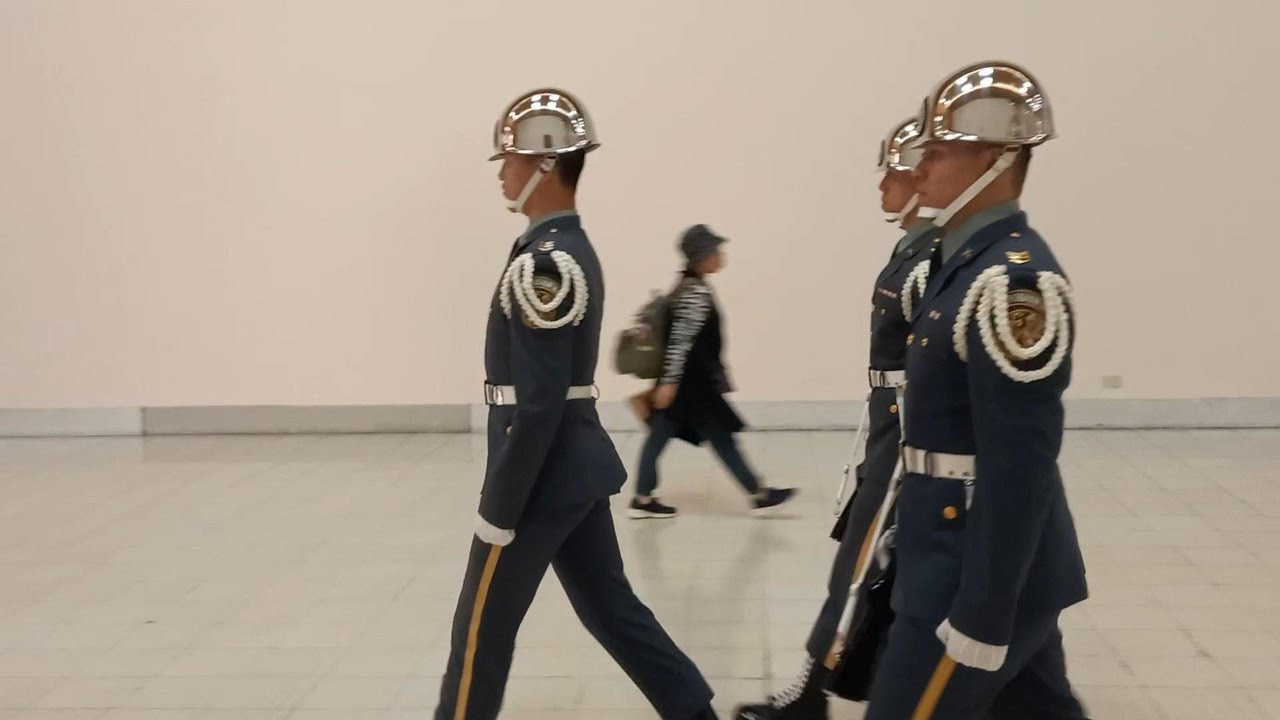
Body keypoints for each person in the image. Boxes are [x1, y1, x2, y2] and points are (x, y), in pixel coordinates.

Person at [434, 88, 717, 720]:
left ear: (544, 166)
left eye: (510, 160)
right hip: (570, 466)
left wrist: (499, 506)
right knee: (610, 608)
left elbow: (537, 404)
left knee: (480, 630)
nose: (502, 172)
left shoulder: (551, 261)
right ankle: (693, 710)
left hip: (541, 472)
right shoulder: (555, 250)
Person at [862, 62, 1089, 720]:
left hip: (972, 567)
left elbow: (1020, 461)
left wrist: (984, 612)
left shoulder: (1014, 283)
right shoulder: (962, 263)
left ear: (997, 158)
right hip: (952, 546)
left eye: (940, 148)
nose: (923, 162)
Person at [732, 116, 941, 720]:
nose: (882, 186)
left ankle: (808, 694)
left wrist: (903, 447)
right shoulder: (911, 248)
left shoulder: (928, 258)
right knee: (864, 563)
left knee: (855, 566)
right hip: (887, 423)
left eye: (894, 175)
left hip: (904, 432)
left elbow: (929, 363)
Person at [628, 224, 796, 519]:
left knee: (679, 437)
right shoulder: (693, 293)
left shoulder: (689, 286)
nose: (721, 254)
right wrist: (669, 383)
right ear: (702, 256)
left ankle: (643, 497)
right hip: (692, 388)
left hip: (689, 386)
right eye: (716, 250)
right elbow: (680, 342)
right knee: (710, 438)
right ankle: (758, 495)